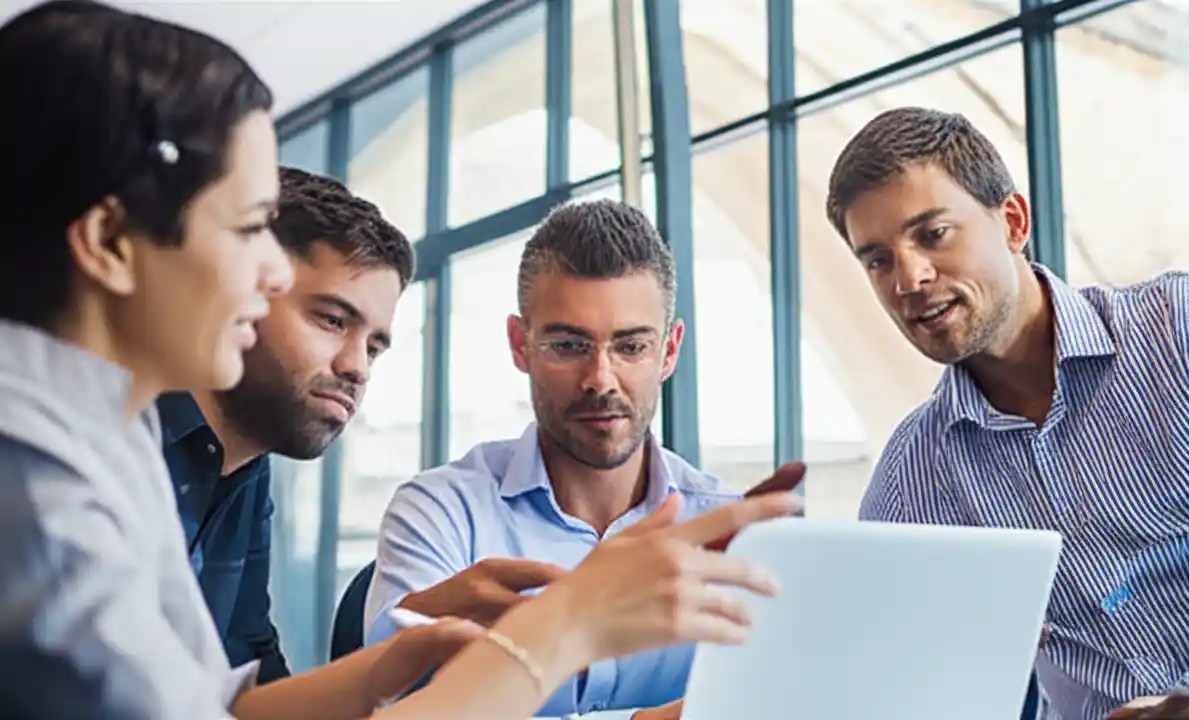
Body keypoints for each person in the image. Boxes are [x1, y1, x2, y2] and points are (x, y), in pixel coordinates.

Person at [0, 2, 802, 719]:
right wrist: (568, 625)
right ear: (109, 243)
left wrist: (396, 659)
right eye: (247, 228)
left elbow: (217, 705)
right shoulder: (32, 483)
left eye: (629, 344)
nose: (273, 274)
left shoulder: (112, 441)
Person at [823, 107, 1189, 720]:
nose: (910, 278)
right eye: (878, 259)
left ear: (1012, 221)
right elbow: (897, 683)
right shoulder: (913, 482)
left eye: (932, 234)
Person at [363, 199, 745, 716]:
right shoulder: (441, 514)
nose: (600, 380)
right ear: (520, 345)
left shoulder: (734, 535)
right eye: (568, 345)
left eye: (631, 347)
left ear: (669, 352)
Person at [158, 165, 413, 682]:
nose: (357, 367)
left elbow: (247, 658)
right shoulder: (109, 433)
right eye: (332, 320)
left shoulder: (247, 467)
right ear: (243, 292)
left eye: (374, 347)